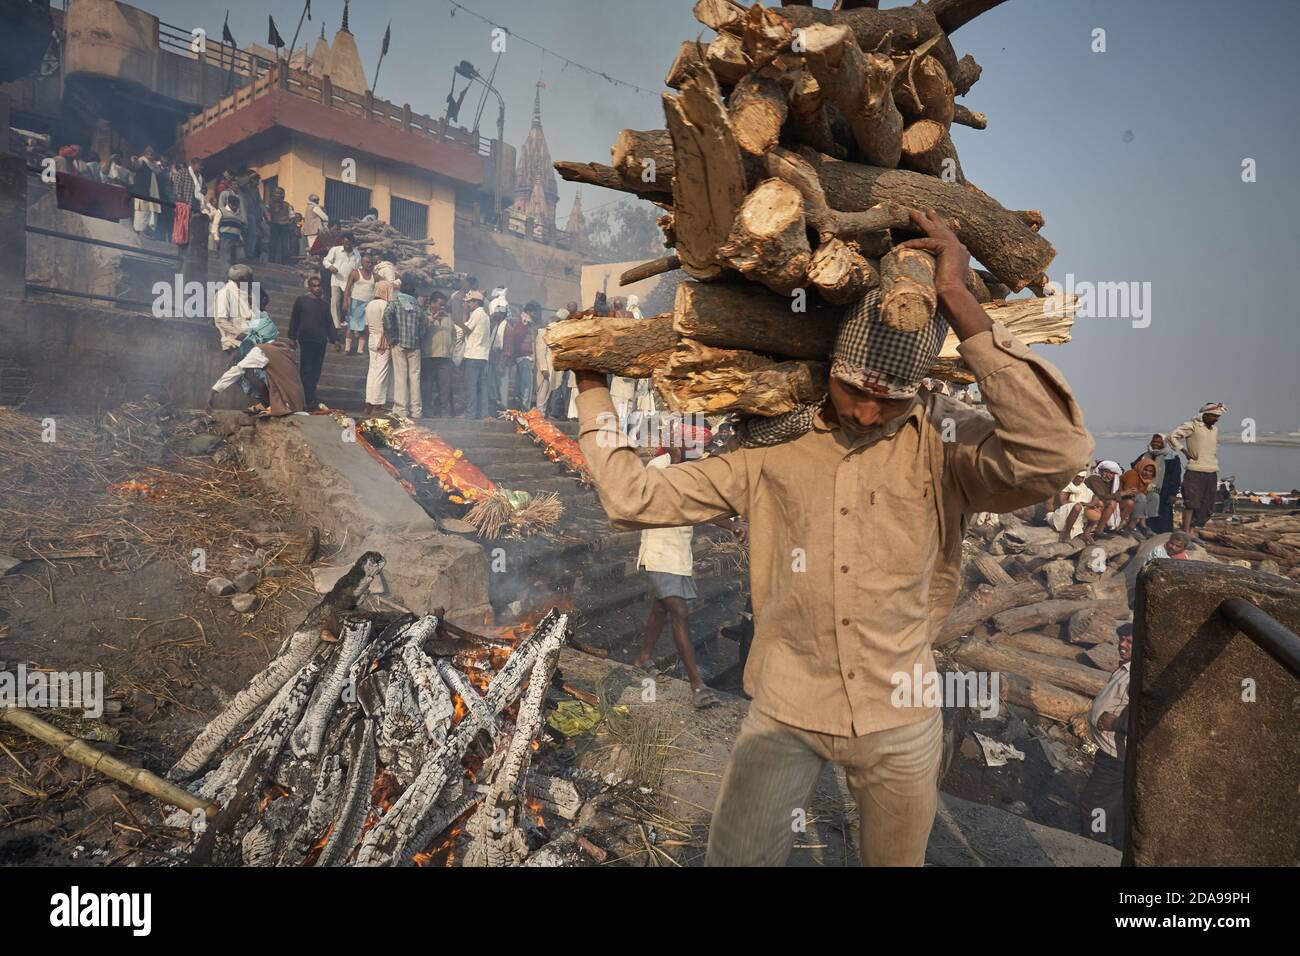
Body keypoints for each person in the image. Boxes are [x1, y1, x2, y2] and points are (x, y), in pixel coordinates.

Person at [569, 208, 1092, 866]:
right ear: (831, 370)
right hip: (784, 712)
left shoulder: (946, 444)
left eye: (891, 399)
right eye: (855, 389)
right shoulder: (774, 450)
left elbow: (1056, 451)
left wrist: (959, 300)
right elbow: (632, 495)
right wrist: (593, 388)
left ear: (920, 391)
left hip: (901, 718)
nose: (869, 411)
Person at [632, 425, 722, 709]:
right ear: (676, 447)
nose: (698, 454)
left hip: (679, 554)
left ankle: (643, 657)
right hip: (659, 551)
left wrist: (732, 524)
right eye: (692, 448)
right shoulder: (658, 467)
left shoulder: (693, 472)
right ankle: (697, 684)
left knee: (661, 609)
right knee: (679, 611)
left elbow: (700, 508)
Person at [1080, 625, 1132, 848]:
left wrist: (1117, 723)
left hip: (1115, 756)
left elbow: (1145, 716)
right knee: (1118, 805)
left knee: (1095, 804)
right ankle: (1118, 848)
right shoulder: (1127, 669)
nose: (1122, 645)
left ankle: (1095, 849)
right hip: (1112, 754)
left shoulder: (1138, 677)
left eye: (1129, 641)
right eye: (1121, 639)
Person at [204, 338, 305, 417]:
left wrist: (212, 392)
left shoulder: (257, 351)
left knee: (246, 372)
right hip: (294, 397)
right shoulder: (270, 347)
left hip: (288, 399)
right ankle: (267, 404)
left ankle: (273, 405)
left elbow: (237, 369)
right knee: (245, 371)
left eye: (231, 354)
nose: (230, 358)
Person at [1169, 402, 1225, 534]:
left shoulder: (1215, 430)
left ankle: (1192, 529)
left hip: (1211, 470)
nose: (1216, 419)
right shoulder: (1192, 426)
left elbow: (1214, 446)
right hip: (1195, 470)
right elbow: (1172, 437)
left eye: (1218, 417)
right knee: (1191, 502)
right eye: (1213, 416)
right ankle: (1186, 531)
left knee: (1207, 506)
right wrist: (1184, 451)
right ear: (1204, 414)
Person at [289, 274, 335, 407]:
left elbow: (329, 323)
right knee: (306, 368)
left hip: (320, 340)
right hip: (306, 339)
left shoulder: (324, 305)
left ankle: (311, 393)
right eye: (314, 286)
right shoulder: (301, 301)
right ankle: (305, 396)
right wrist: (292, 337)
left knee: (316, 369)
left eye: (319, 285)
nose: (317, 288)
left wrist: (334, 339)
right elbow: (294, 320)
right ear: (309, 287)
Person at [384, 275, 427, 420]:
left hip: (399, 343)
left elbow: (386, 316)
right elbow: (424, 324)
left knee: (400, 377)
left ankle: (401, 410)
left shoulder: (395, 302)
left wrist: (392, 335)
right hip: (415, 345)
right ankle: (416, 411)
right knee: (415, 378)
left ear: (402, 287)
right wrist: (419, 337)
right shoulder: (417, 306)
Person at [1136, 434, 1181, 534]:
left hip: (1165, 490)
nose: (1156, 444)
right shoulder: (1145, 455)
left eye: (1159, 442)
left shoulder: (1172, 457)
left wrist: (1173, 493)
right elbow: (1136, 469)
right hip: (1147, 488)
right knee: (1148, 507)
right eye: (1154, 441)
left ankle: (1164, 535)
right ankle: (1146, 529)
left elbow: (1176, 476)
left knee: (1164, 513)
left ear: (1164, 443)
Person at [363, 279, 396, 416]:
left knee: (372, 371)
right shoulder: (385, 305)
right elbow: (387, 326)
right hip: (382, 339)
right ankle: (377, 405)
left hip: (372, 338)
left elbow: (366, 327)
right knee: (381, 373)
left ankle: (368, 404)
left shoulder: (369, 305)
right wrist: (389, 342)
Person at [322, 233, 360, 348]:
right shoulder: (336, 250)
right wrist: (330, 267)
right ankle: (336, 326)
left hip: (350, 283)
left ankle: (351, 327)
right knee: (335, 303)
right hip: (336, 281)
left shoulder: (356, 253)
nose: (346, 245)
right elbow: (325, 261)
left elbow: (358, 268)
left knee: (349, 305)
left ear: (352, 243)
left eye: (349, 243)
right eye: (345, 242)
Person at [458, 289, 491, 419]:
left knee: (471, 386)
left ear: (476, 302)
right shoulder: (485, 315)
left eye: (469, 302)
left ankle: (470, 413)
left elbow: (465, 329)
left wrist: (464, 316)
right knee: (482, 387)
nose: (468, 305)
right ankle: (483, 413)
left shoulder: (477, 314)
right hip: (482, 356)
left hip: (473, 356)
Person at [421, 291, 455, 417]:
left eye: (443, 305)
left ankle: (444, 412)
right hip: (428, 356)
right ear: (432, 303)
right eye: (440, 304)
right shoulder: (424, 316)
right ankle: (427, 412)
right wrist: (434, 317)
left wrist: (451, 349)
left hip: (445, 357)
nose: (442, 308)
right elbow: (421, 329)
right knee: (427, 387)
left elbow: (454, 334)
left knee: (445, 387)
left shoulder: (448, 318)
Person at [212, 264, 256, 353]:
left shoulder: (245, 294)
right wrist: (239, 334)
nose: (252, 282)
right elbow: (221, 320)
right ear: (241, 280)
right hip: (233, 343)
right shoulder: (224, 293)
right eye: (249, 279)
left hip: (249, 342)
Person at [1048, 469, 1101, 541]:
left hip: (1078, 509)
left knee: (1098, 506)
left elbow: (1095, 497)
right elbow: (1062, 502)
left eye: (1082, 477)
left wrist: (1089, 504)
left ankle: (1086, 533)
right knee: (1077, 507)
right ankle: (1066, 535)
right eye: (1078, 476)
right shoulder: (1067, 485)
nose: (1080, 479)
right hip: (1061, 514)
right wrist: (1080, 504)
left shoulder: (1083, 486)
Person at [1080, 461, 1124, 543]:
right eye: (1106, 472)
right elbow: (1102, 495)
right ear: (1100, 471)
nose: (1108, 475)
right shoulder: (1094, 478)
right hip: (1088, 505)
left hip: (1100, 507)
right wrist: (1122, 493)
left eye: (1111, 473)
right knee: (1111, 503)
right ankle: (1098, 531)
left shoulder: (1115, 483)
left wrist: (1121, 494)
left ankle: (1116, 528)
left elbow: (1119, 498)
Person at [342, 254, 376, 356]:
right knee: (351, 326)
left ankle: (360, 349)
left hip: (368, 304)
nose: (369, 264)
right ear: (362, 263)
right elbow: (347, 288)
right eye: (367, 262)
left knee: (364, 327)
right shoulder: (355, 273)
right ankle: (347, 348)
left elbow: (386, 282)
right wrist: (345, 301)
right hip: (356, 302)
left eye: (371, 263)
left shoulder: (375, 276)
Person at [1118, 457, 1159, 535]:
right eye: (1145, 469)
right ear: (1141, 467)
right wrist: (1146, 486)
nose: (1147, 473)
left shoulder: (1148, 479)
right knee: (1141, 496)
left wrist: (1147, 484)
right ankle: (1132, 525)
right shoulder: (1132, 473)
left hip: (1135, 500)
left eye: (1150, 471)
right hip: (1122, 499)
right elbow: (1130, 491)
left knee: (1154, 496)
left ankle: (1142, 523)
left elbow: (1156, 491)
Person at [267, 187, 297, 264]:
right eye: (278, 193)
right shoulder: (269, 204)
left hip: (285, 226)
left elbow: (292, 216)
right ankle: (271, 262)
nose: (280, 195)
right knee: (273, 244)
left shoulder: (287, 205)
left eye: (282, 193)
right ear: (273, 194)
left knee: (285, 245)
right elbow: (266, 214)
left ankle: (284, 263)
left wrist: (289, 223)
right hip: (273, 226)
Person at [216, 191, 246, 265]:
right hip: (225, 238)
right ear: (229, 203)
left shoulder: (238, 214)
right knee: (226, 259)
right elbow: (215, 225)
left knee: (236, 260)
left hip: (236, 239)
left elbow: (238, 229)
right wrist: (216, 238)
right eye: (233, 205)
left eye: (236, 205)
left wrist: (241, 238)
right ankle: (224, 276)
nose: (235, 207)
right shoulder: (221, 211)